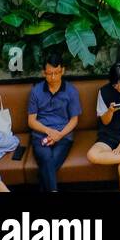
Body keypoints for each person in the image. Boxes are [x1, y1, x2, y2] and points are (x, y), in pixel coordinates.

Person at [27, 53, 82, 192]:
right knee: (47, 157)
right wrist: (49, 132)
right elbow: (31, 121)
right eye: (49, 73)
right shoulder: (36, 91)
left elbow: (74, 120)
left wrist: (59, 135)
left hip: (64, 136)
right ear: (43, 73)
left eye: (56, 73)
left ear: (62, 71)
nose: (53, 77)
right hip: (40, 135)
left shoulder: (71, 91)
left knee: (48, 164)